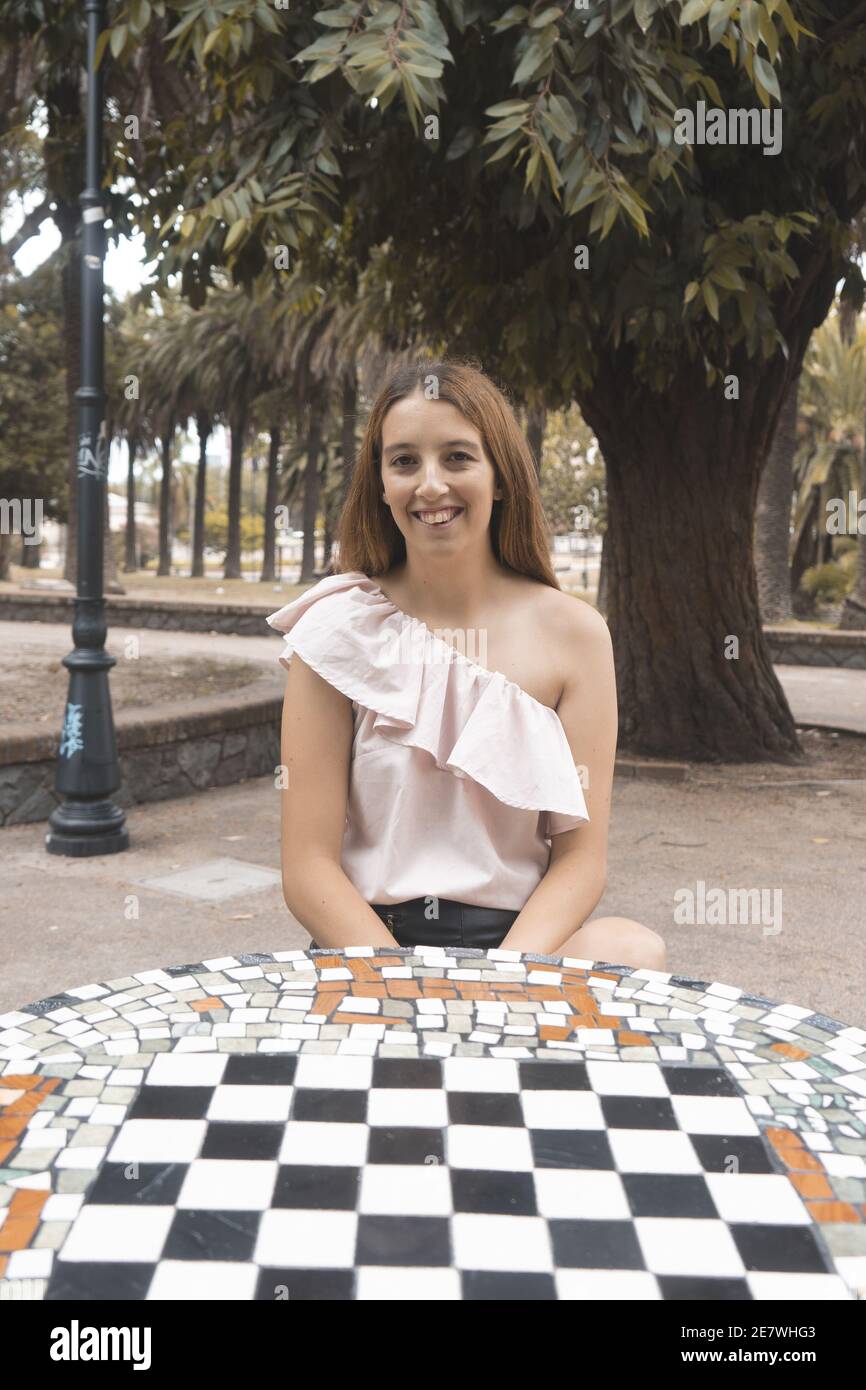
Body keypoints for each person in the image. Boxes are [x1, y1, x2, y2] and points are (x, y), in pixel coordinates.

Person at [267, 358, 666, 970]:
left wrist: (498, 985)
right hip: (370, 949)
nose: (430, 485)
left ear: (500, 477)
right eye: (404, 461)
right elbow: (308, 867)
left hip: (518, 953)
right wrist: (405, 989)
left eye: (457, 457)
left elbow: (580, 862)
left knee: (635, 949)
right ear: (380, 483)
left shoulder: (577, 636)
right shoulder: (337, 630)